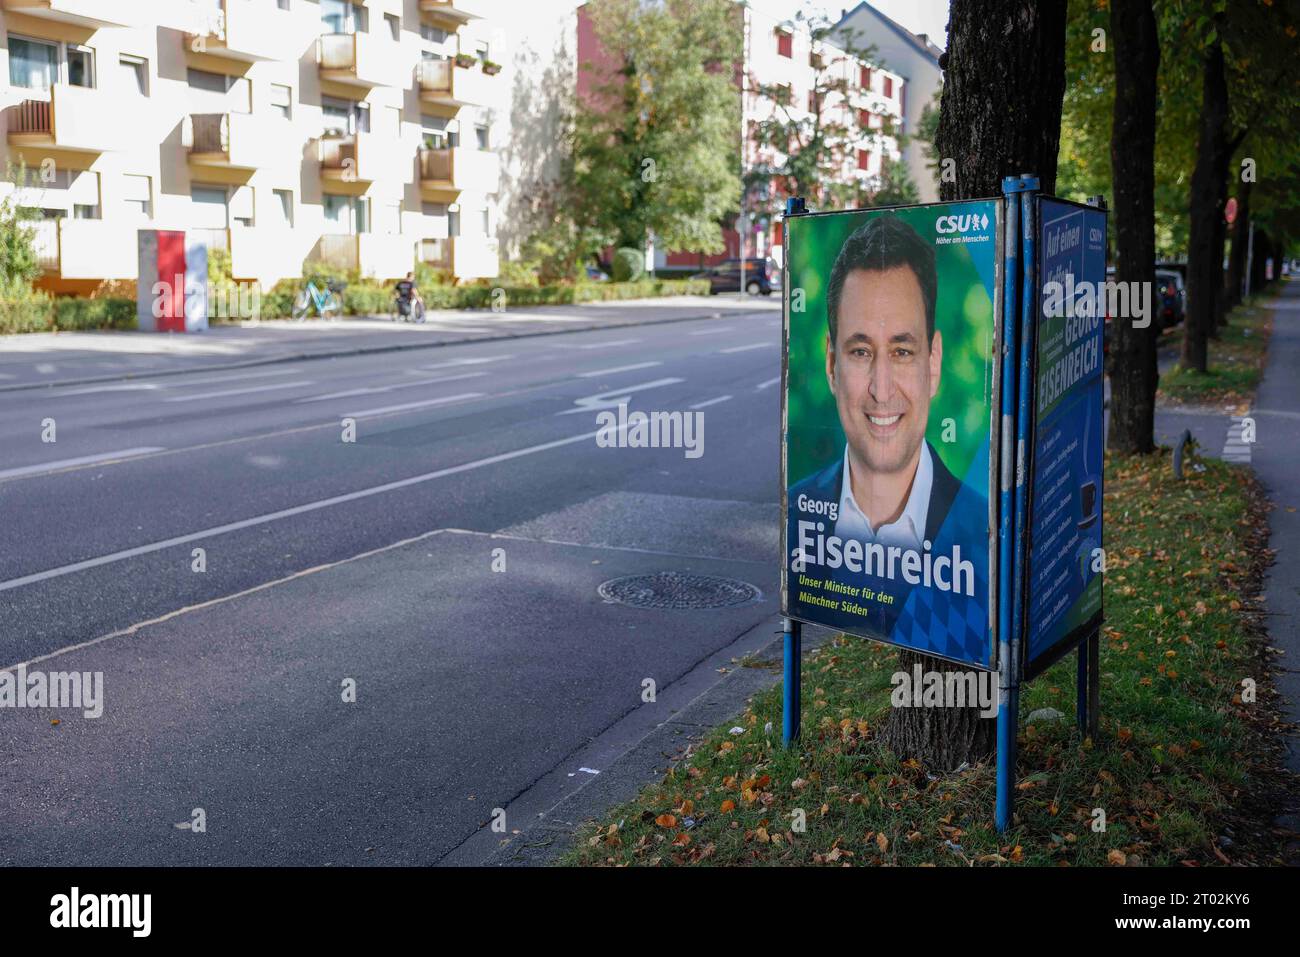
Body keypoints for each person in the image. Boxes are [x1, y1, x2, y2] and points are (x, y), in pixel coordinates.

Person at [790, 213, 974, 550]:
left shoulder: (983, 534)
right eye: (861, 352)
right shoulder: (794, 517)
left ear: (933, 363)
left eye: (902, 351)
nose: (882, 389)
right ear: (832, 365)